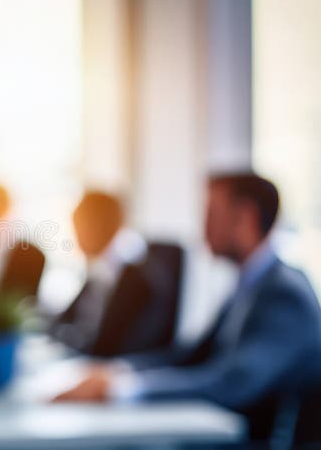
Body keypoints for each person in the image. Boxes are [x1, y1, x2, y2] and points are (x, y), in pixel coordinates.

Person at [54, 173, 321, 439]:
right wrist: (118, 371)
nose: (203, 225)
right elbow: (192, 355)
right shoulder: (251, 284)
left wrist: (123, 388)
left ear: (245, 218)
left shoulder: (284, 294)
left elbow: (236, 381)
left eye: (211, 213)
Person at [50, 191, 179, 356]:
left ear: (98, 225)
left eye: (79, 227)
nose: (75, 237)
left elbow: (111, 346)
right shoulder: (101, 268)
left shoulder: (138, 277)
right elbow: (64, 320)